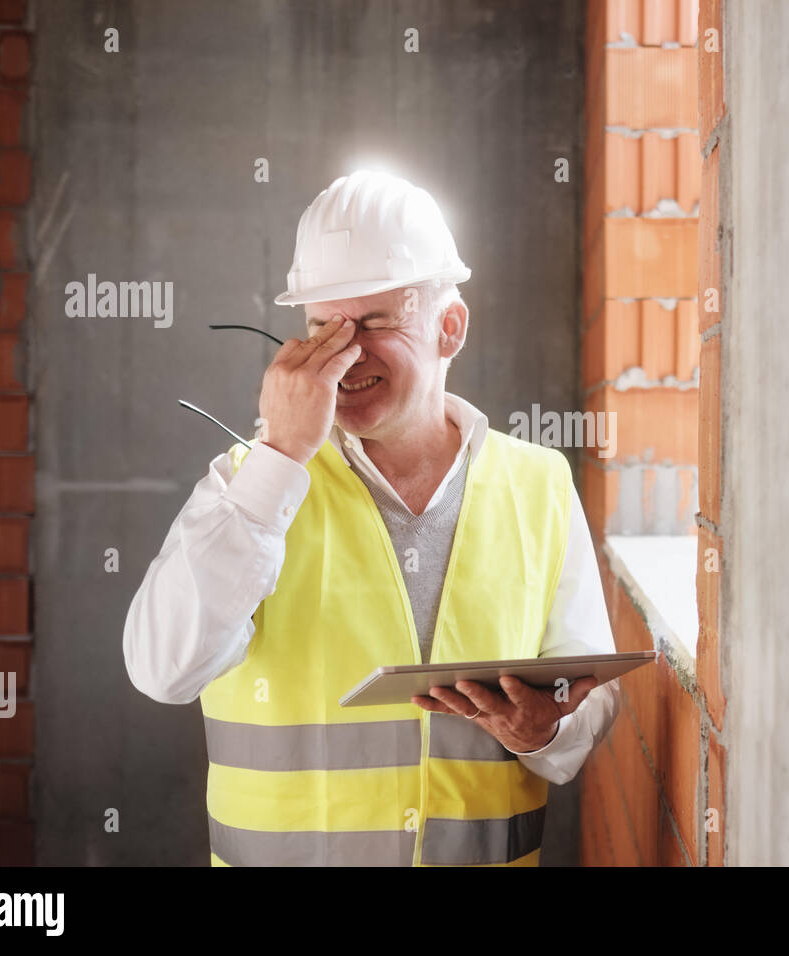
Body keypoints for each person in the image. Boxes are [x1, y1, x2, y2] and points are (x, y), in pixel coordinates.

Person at [123, 170, 620, 866]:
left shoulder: (537, 486)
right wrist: (279, 456)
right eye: (323, 327)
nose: (345, 353)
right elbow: (162, 669)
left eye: (377, 322)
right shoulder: (249, 485)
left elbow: (588, 704)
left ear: (450, 327)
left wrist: (544, 729)